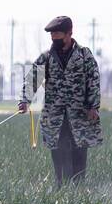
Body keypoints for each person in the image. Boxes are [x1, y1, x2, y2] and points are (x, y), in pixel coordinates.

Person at [19, 16, 102, 186]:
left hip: (79, 115)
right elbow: (32, 79)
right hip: (55, 116)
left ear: (69, 33)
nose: (54, 38)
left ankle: (79, 191)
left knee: (79, 153)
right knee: (59, 154)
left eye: (58, 34)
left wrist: (93, 106)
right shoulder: (46, 58)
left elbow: (93, 81)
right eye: (52, 35)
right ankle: (61, 189)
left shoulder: (84, 55)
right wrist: (24, 101)